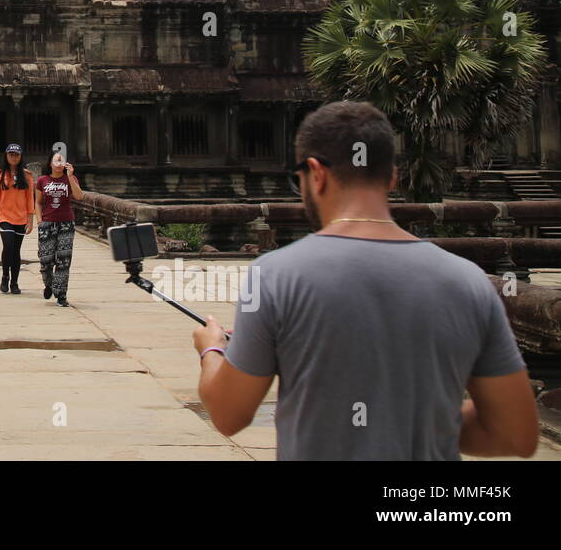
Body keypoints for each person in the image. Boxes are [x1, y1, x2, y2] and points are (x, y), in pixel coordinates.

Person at [194, 100, 538, 460]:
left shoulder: (276, 276)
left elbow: (228, 414)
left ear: (316, 173)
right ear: (392, 176)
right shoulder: (468, 281)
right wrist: (423, 422)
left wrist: (212, 349)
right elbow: (515, 433)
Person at [36, 151, 83, 306]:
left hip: (66, 223)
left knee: (63, 260)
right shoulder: (42, 180)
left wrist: (70, 176)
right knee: (46, 260)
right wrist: (39, 220)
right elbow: (38, 202)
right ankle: (49, 283)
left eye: (62, 160)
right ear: (50, 163)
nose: (59, 163)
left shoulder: (71, 179)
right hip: (47, 223)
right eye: (56, 160)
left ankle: (61, 294)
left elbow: (79, 196)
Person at [0, 143, 34, 294]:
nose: (14, 158)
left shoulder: (26, 175)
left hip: (21, 217)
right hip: (5, 216)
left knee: (16, 250)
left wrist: (31, 219)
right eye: (11, 155)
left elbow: (29, 198)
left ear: (20, 157)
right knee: (8, 246)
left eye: (16, 155)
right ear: (6, 156)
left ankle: (15, 282)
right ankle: (5, 276)